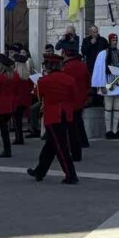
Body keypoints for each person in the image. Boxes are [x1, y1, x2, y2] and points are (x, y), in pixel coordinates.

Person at [28, 53, 79, 184]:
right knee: (50, 145)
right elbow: (75, 96)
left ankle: (70, 174)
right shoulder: (69, 79)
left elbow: (38, 96)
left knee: (60, 147)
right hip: (66, 114)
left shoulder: (43, 81)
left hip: (53, 115)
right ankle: (40, 171)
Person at [93, 34, 119, 138]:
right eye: (113, 40)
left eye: (116, 40)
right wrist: (101, 85)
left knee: (117, 108)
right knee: (108, 107)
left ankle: (115, 130)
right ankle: (108, 131)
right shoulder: (103, 54)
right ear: (109, 41)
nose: (115, 41)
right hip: (108, 82)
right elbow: (99, 70)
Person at [62, 45, 91, 160]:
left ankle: (74, 148)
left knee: (71, 126)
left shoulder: (66, 67)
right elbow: (87, 80)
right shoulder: (82, 65)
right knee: (78, 121)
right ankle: (83, 141)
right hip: (81, 97)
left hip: (70, 99)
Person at [0, 55, 19, 158]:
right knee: (6, 126)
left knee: (4, 128)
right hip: (12, 103)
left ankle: (7, 150)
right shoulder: (15, 75)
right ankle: (7, 149)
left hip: (2, 104)